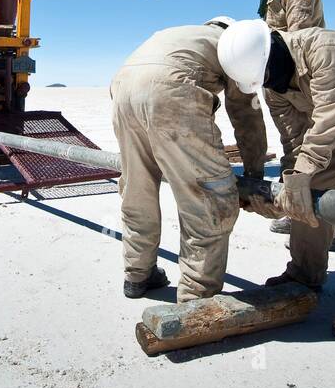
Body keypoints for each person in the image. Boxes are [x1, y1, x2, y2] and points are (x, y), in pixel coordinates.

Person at [218, 19, 335, 341]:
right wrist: (293, 180)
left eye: (269, 75)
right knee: (309, 194)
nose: (270, 84)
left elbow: (328, 116)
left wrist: (300, 174)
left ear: (275, 49)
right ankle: (304, 275)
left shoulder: (325, 50)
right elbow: (294, 136)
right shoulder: (273, 84)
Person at [110, 18, 268, 302]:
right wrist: (254, 173)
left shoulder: (179, 34)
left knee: (138, 188)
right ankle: (197, 291)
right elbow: (246, 117)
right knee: (210, 195)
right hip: (172, 90)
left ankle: (138, 273)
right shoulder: (234, 46)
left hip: (122, 91)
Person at [251, 0, 327, 236]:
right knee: (291, 145)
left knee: (305, 147)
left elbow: (300, 42)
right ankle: (298, 210)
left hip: (297, 83)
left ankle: (319, 220)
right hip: (281, 82)